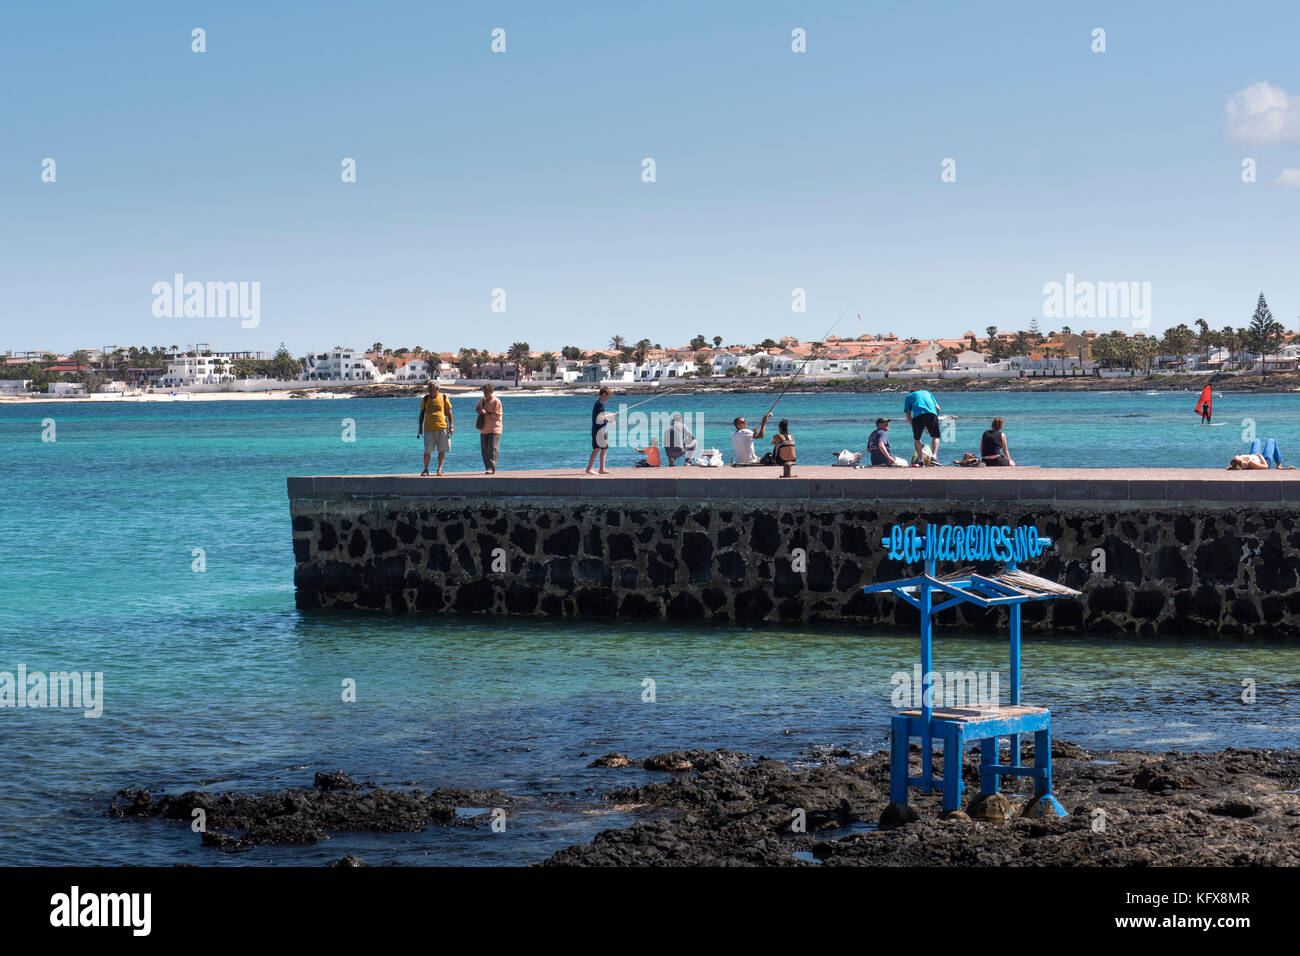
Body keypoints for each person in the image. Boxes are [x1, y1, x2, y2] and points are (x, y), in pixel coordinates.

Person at [417, 381, 453, 476]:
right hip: (428, 428)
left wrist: (451, 426)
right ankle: (426, 469)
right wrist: (420, 427)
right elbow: (422, 414)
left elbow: (449, 413)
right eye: (429, 389)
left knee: (442, 450)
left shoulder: (444, 397)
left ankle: (439, 469)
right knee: (427, 450)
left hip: (442, 427)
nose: (430, 390)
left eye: (432, 389)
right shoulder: (426, 399)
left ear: (437, 388)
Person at [586, 387, 618, 474]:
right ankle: (589, 469)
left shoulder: (598, 404)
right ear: (604, 394)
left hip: (600, 430)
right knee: (597, 448)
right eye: (607, 397)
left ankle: (602, 469)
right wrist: (611, 414)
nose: (607, 399)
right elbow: (600, 417)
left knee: (604, 448)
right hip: (598, 430)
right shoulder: (600, 404)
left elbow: (599, 418)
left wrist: (609, 421)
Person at [904, 388, 942, 462]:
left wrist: (914, 426)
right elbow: (938, 408)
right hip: (932, 414)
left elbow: (908, 416)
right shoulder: (928, 393)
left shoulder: (909, 396)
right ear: (920, 390)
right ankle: (934, 457)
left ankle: (920, 461)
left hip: (918, 416)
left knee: (917, 439)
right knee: (935, 436)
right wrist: (930, 425)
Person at [475, 383, 503, 474]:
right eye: (484, 392)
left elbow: (497, 414)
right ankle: (487, 467)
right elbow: (477, 408)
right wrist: (480, 410)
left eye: (487, 392)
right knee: (484, 450)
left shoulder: (496, 401)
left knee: (493, 449)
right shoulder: (482, 401)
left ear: (491, 392)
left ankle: (491, 467)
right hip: (484, 429)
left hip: (495, 429)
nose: (485, 394)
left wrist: (486, 413)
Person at [1228, 438, 1292, 470]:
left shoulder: (1240, 462)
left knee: (1256, 440)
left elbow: (1236, 465)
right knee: (1272, 440)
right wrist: (1260, 456)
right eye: (1239, 456)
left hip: (1253, 456)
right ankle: (1279, 465)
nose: (1239, 455)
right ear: (1244, 462)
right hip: (1264, 460)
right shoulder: (1250, 462)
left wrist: (1232, 467)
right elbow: (1266, 467)